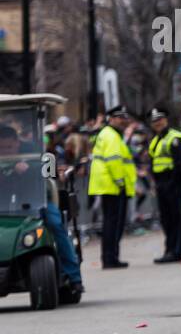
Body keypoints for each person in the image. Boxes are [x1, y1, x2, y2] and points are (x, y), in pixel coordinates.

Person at [0, 125, 83, 294]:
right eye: (2, 148)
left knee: (55, 224)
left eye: (9, 147)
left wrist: (30, 169)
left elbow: (51, 173)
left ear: (17, 142)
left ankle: (73, 276)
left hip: (36, 202)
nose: (5, 151)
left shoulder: (36, 150)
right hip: (5, 204)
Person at [89, 105, 136, 269]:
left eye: (124, 118)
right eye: (119, 118)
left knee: (112, 223)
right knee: (113, 224)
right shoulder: (111, 136)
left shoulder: (109, 134)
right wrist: (121, 182)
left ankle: (111, 257)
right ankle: (110, 258)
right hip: (113, 186)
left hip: (108, 185)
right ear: (111, 119)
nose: (123, 121)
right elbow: (113, 161)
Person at [147, 107, 181, 263]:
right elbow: (153, 162)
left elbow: (179, 164)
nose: (157, 123)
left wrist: (174, 183)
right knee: (166, 219)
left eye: (160, 119)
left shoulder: (174, 137)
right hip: (161, 182)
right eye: (154, 121)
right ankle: (169, 249)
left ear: (166, 120)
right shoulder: (155, 140)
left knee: (176, 217)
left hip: (173, 181)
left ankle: (177, 251)